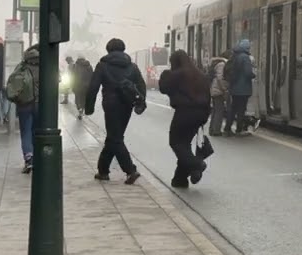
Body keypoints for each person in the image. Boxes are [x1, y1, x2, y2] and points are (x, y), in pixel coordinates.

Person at [84, 39, 145, 184]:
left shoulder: (103, 65)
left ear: (108, 49)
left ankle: (130, 170)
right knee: (114, 136)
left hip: (111, 105)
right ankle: (103, 170)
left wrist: (89, 107)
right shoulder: (132, 66)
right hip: (127, 105)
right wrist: (140, 103)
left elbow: (93, 87)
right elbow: (141, 85)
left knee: (115, 138)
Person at [157, 50, 211, 188]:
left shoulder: (177, 75)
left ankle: (196, 164)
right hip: (202, 113)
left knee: (175, 142)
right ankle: (180, 179)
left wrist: (165, 74)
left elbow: (163, 88)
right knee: (185, 145)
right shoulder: (200, 75)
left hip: (185, 112)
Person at [6, 44, 40, 174]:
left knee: (25, 131)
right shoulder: (45, 66)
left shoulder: (22, 66)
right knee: (36, 131)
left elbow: (12, 83)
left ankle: (28, 158)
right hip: (39, 104)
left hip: (24, 103)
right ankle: (37, 158)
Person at [225, 39, 256, 136]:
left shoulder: (235, 56)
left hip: (234, 88)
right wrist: (253, 75)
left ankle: (227, 129)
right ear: (247, 48)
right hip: (243, 89)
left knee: (233, 109)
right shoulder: (245, 58)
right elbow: (247, 73)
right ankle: (239, 130)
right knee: (241, 110)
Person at [206, 51, 230, 136]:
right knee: (219, 111)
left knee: (215, 111)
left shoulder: (216, 63)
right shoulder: (222, 64)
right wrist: (224, 89)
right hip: (218, 90)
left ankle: (212, 129)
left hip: (214, 89)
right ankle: (216, 130)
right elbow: (220, 78)